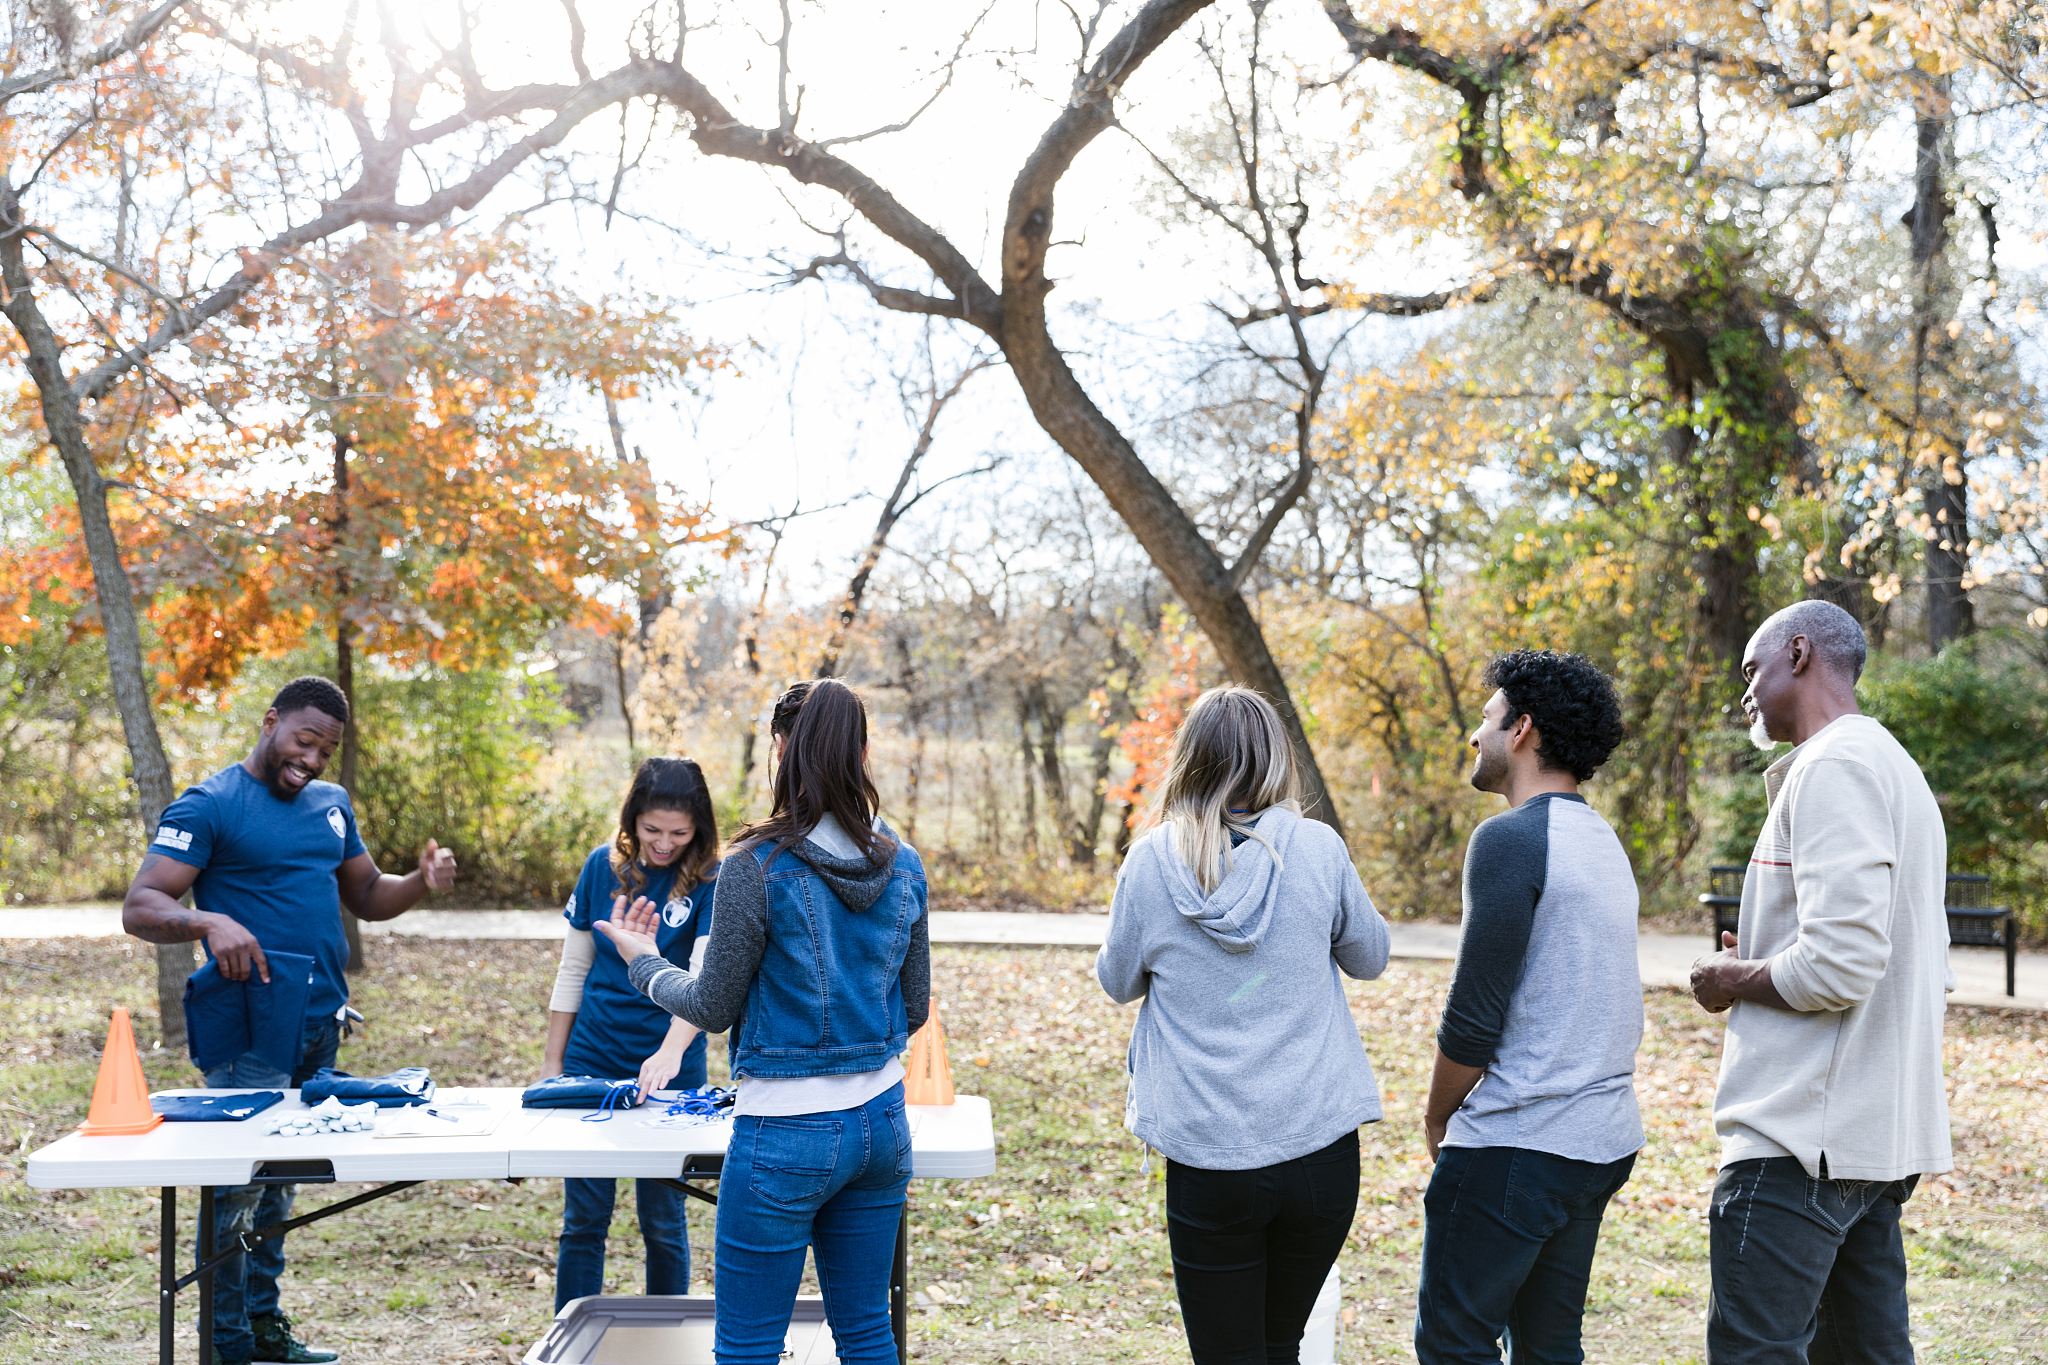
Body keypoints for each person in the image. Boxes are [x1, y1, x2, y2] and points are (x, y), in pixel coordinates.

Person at [122, 676, 458, 1365]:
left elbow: (365, 894)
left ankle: (264, 1326)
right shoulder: (211, 804)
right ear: (271, 720)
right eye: (305, 739)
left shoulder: (331, 806)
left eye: (326, 749)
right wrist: (210, 918)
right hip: (250, 1030)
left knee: (279, 1193)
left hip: (317, 1025)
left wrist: (421, 880)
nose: (312, 758)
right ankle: (226, 1343)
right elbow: (142, 902)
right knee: (236, 1191)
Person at [595, 678, 930, 1365]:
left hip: (785, 1131)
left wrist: (644, 959)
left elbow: (712, 1007)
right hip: (883, 1125)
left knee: (748, 1346)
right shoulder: (904, 863)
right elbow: (916, 1007)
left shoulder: (756, 864)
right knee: (867, 1329)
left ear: (781, 749)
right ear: (861, 752)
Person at [1094, 685, 1390, 1365]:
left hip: (1209, 1156)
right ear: (1274, 759)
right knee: (1278, 1343)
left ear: (1189, 760)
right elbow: (1370, 957)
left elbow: (1117, 982)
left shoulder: (1152, 860)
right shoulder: (1318, 849)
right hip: (1320, 1151)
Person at [1690, 600, 1950, 1365]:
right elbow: (1883, 945)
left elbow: (1841, 963)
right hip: (1866, 1144)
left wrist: (1731, 975)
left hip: (1800, 1146)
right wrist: (1769, 954)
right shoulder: (1892, 765)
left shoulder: (1834, 764)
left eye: (1752, 669)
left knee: (1754, 1353)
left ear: (1799, 653)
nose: (1744, 693)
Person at [1412, 649, 1640, 1365]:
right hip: (1598, 1142)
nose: (1475, 736)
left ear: (1522, 730)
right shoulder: (1602, 841)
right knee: (1548, 1349)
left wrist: (1437, 1115)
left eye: (1486, 719)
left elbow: (1475, 1015)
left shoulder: (1511, 839)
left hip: (1521, 1140)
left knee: (1455, 1343)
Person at [542, 756, 720, 1310]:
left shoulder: (714, 878)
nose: (664, 844)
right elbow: (573, 970)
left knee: (663, 1220)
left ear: (699, 830)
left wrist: (669, 1055)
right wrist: (552, 1066)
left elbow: (704, 983)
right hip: (592, 1057)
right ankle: (568, 1336)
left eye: (679, 833)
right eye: (651, 830)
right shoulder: (601, 867)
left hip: (671, 1066)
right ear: (632, 819)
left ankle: (668, 1340)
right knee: (584, 1221)